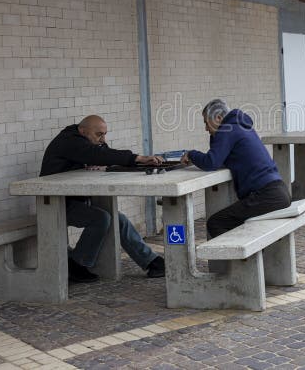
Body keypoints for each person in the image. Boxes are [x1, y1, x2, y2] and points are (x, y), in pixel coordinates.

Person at [40, 115, 166, 283]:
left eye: (105, 134)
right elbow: (96, 154)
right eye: (99, 134)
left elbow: (103, 154)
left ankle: (151, 262)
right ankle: (76, 264)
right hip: (56, 204)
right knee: (101, 218)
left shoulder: (88, 140)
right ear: (83, 131)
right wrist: (137, 158)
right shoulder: (69, 140)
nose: (103, 139)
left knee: (117, 218)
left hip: (75, 199)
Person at [182, 99, 290, 237]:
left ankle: (240, 258)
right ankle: (247, 256)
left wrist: (191, 154)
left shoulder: (227, 129)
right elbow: (220, 158)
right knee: (236, 223)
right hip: (278, 192)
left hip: (266, 195)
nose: (206, 128)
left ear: (219, 118)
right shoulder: (241, 126)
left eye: (206, 122)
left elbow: (211, 162)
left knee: (216, 223)